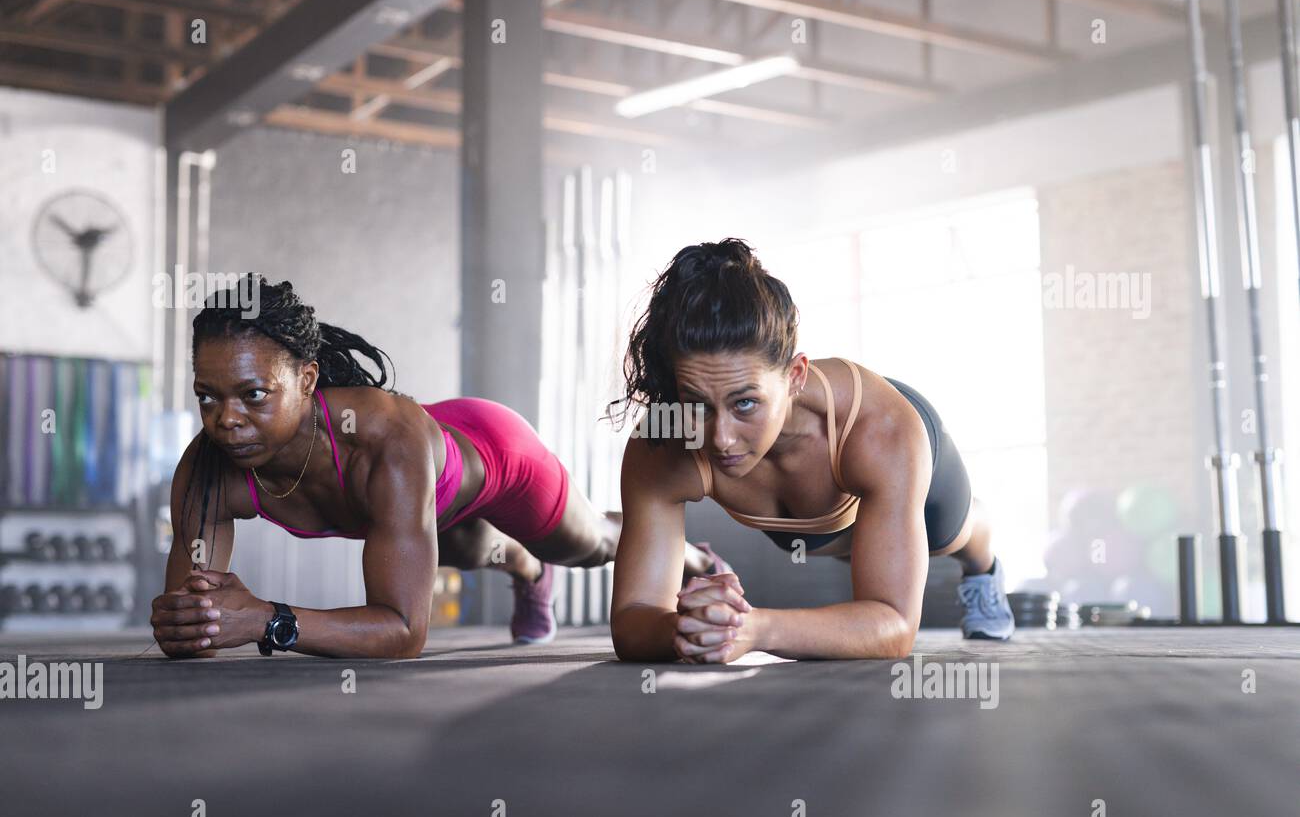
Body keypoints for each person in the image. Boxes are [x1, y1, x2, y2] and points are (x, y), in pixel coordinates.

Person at [150, 276, 726, 659]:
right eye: (208, 396)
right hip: (428, 497)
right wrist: (192, 623)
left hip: (497, 453)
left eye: (253, 395)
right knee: (462, 550)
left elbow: (403, 629)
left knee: (588, 544)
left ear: (306, 380)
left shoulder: (381, 446)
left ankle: (695, 559)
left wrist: (266, 619)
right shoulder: (209, 466)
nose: (226, 420)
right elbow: (194, 624)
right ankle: (526, 570)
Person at [608, 239, 1015, 664]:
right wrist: (690, 626)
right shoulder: (661, 445)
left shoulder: (882, 432)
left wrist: (754, 628)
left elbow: (893, 627)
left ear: (795, 376)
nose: (721, 439)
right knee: (845, 545)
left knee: (950, 537)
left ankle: (983, 569)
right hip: (811, 528)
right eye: (698, 404)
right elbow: (633, 618)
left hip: (908, 459)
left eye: (745, 403)